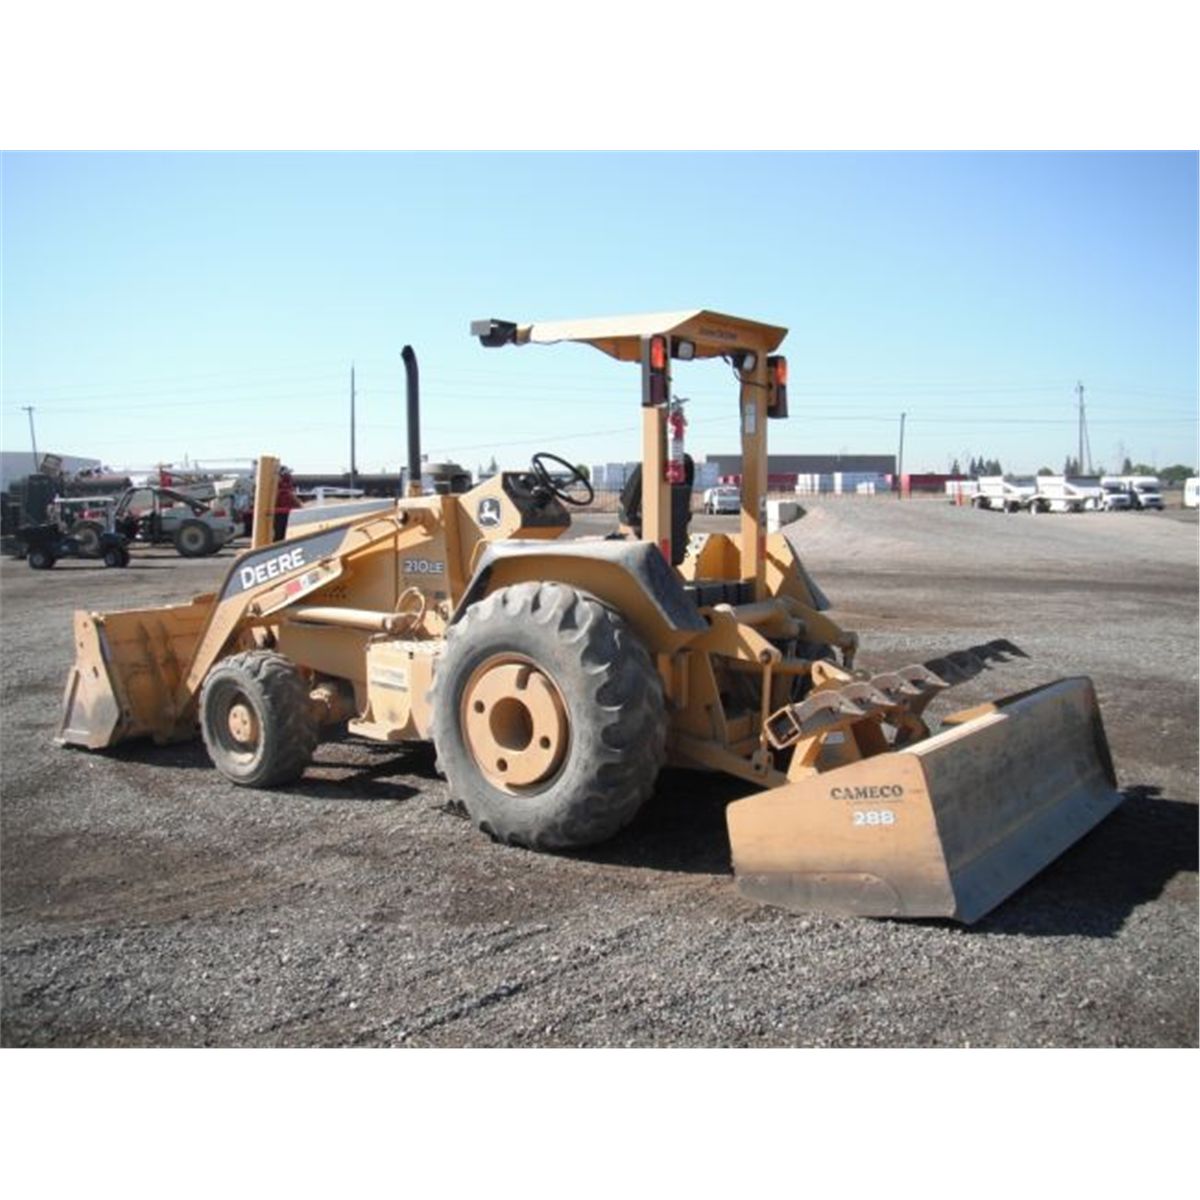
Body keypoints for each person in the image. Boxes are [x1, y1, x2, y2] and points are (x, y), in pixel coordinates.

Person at [272, 467, 302, 541]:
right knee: (281, 533)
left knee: (280, 533)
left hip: (283, 512)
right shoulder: (283, 488)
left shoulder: (281, 487)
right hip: (283, 512)